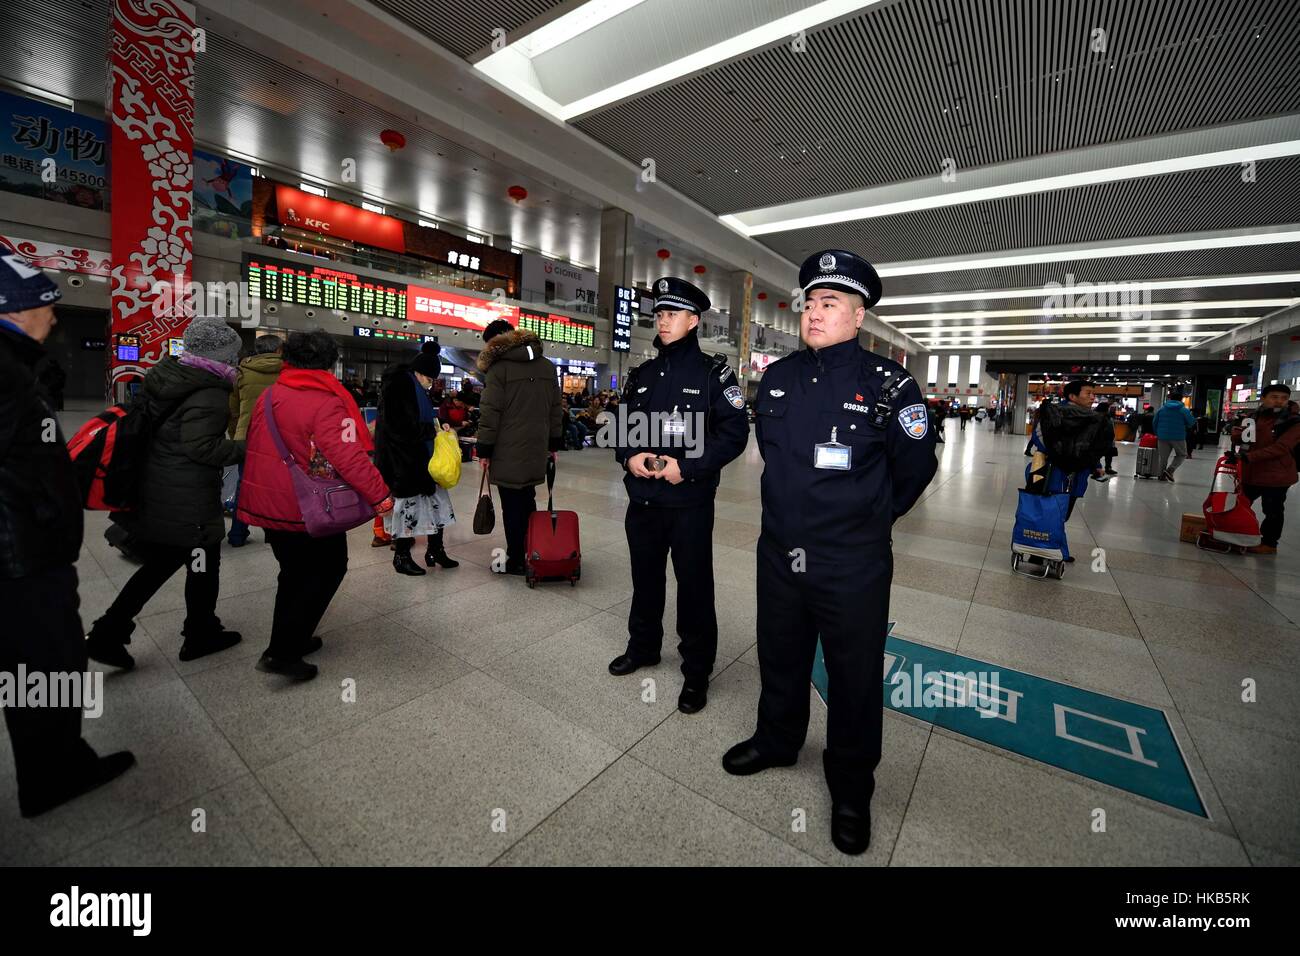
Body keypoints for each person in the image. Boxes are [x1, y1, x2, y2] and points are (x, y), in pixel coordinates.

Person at [723, 249, 937, 855]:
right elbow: (771, 450)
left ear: (858, 314)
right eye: (811, 303)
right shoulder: (780, 377)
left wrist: (869, 519)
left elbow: (916, 466)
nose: (815, 314)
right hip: (781, 554)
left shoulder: (888, 385)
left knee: (853, 675)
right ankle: (777, 739)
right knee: (781, 655)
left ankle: (850, 785)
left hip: (853, 563)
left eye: (831, 304)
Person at [0, 260, 135, 816]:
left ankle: (53, 765)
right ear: (15, 308)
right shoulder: (5, 372)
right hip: (21, 556)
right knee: (49, 664)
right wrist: (46, 513)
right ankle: (54, 774)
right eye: (47, 304)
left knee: (38, 667)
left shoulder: (15, 367)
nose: (53, 318)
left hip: (23, 547)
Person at [608, 276, 749, 714]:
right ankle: (643, 646)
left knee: (694, 588)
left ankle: (696, 670)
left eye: (671, 314)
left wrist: (686, 467)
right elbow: (620, 427)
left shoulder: (712, 374)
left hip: (688, 502)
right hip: (643, 502)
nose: (662, 321)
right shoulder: (642, 375)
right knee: (644, 579)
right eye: (659, 314)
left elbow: (735, 433)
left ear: (693, 320)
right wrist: (629, 455)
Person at [85, 318, 246, 670]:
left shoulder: (168, 374)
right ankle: (198, 634)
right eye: (234, 355)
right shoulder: (211, 391)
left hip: (159, 483)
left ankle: (109, 632)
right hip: (186, 493)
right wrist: (247, 449)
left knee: (164, 561)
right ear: (223, 356)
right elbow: (202, 448)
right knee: (203, 562)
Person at [235, 330, 392, 678]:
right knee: (328, 570)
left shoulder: (271, 393)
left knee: (292, 573)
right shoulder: (326, 400)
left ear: (286, 359)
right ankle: (283, 653)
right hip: (305, 508)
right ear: (328, 362)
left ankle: (291, 639)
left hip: (266, 500)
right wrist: (380, 495)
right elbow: (348, 457)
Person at [475, 319, 563, 575]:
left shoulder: (498, 369)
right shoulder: (547, 366)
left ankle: (515, 559)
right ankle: (532, 550)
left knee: (512, 505)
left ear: (494, 342)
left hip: (506, 450)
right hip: (536, 449)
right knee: (528, 501)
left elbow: (490, 413)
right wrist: (553, 444)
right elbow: (556, 409)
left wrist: (484, 450)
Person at [374, 340, 460, 576]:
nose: (430, 385)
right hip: (403, 461)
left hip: (421, 458)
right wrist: (430, 431)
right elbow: (400, 426)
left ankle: (435, 550)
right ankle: (401, 557)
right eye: (429, 379)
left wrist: (435, 426)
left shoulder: (414, 386)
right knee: (407, 510)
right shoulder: (400, 386)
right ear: (419, 373)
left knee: (436, 504)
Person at [1026, 380, 1112, 538]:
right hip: (1051, 472)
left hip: (1078, 475)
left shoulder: (1093, 419)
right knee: (1049, 510)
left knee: (1063, 514)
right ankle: (1043, 549)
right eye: (1088, 393)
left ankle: (1053, 548)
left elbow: (1091, 446)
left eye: (1093, 394)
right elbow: (1039, 437)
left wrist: (1096, 465)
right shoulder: (1054, 413)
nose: (1092, 397)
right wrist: (1060, 454)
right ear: (1072, 396)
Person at [226, 334, 283, 547]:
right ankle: (276, 533)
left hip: (247, 437)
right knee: (279, 486)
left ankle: (237, 535)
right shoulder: (288, 371)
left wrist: (236, 435)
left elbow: (232, 410)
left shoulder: (240, 373)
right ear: (278, 350)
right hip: (280, 439)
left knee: (244, 486)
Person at [1231, 383, 1300, 555]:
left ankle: (1269, 543)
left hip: (1277, 474)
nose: (1279, 401)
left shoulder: (1293, 421)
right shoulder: (1255, 416)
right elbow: (1245, 439)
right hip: (1251, 471)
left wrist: (1250, 457)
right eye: (1274, 397)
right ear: (1263, 398)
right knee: (1240, 503)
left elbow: (1282, 447)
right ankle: (1234, 531)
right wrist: (1237, 435)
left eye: (1284, 398)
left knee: (1272, 510)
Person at [1152, 390, 1197, 482]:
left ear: (1170, 399)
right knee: (1182, 454)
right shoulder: (1184, 410)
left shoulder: (1161, 409)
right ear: (1181, 400)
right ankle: (1170, 470)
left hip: (1162, 437)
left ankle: (1161, 476)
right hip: (1178, 437)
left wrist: (1158, 433)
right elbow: (1191, 422)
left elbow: (1154, 422)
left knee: (1163, 458)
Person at [1094, 401, 1119, 476]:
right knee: (1097, 455)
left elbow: (1111, 427)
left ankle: (1107, 468)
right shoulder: (1097, 416)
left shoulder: (1107, 416)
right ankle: (1097, 468)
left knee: (1108, 454)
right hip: (1100, 439)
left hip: (1108, 439)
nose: (1109, 409)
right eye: (1108, 408)